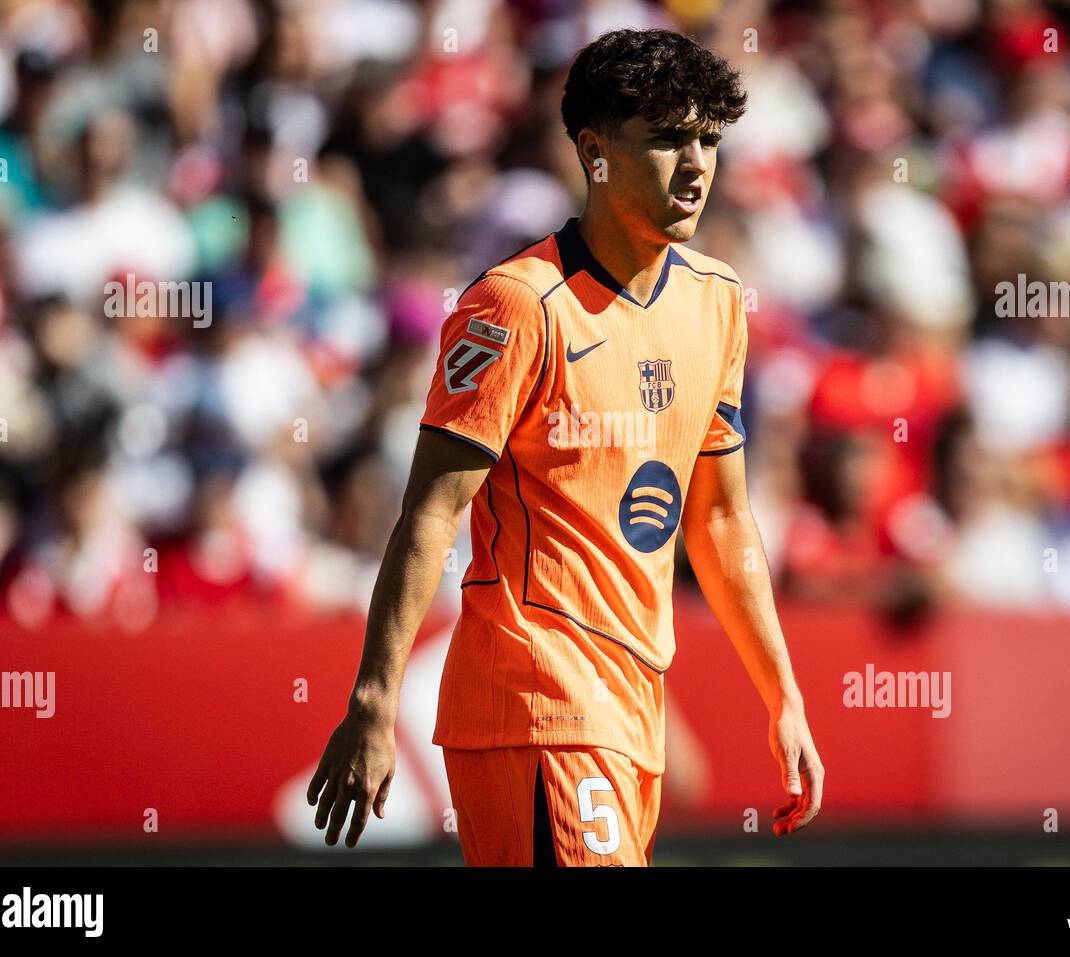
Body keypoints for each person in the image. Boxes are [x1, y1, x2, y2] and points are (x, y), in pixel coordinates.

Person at [307, 27, 824, 866]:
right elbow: (431, 512)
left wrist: (784, 697)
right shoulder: (515, 306)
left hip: (633, 706)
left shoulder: (720, 301)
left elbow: (723, 521)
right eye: (664, 138)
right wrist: (373, 699)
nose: (695, 164)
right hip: (533, 697)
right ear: (595, 151)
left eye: (708, 139)